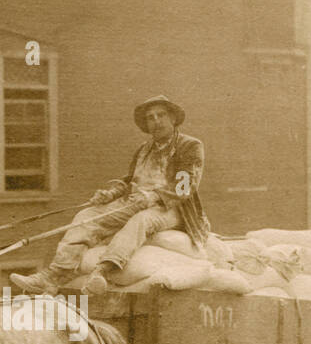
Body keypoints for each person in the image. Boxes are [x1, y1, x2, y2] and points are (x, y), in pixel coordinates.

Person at [11, 94, 209, 295]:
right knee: (87, 216)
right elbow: (131, 180)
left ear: (173, 118)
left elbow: (186, 186)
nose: (156, 121)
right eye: (151, 118)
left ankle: (102, 272)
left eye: (161, 115)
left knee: (140, 220)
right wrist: (110, 193)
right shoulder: (144, 149)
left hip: (173, 208)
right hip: (136, 201)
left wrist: (152, 197)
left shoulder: (189, 146)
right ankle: (54, 276)